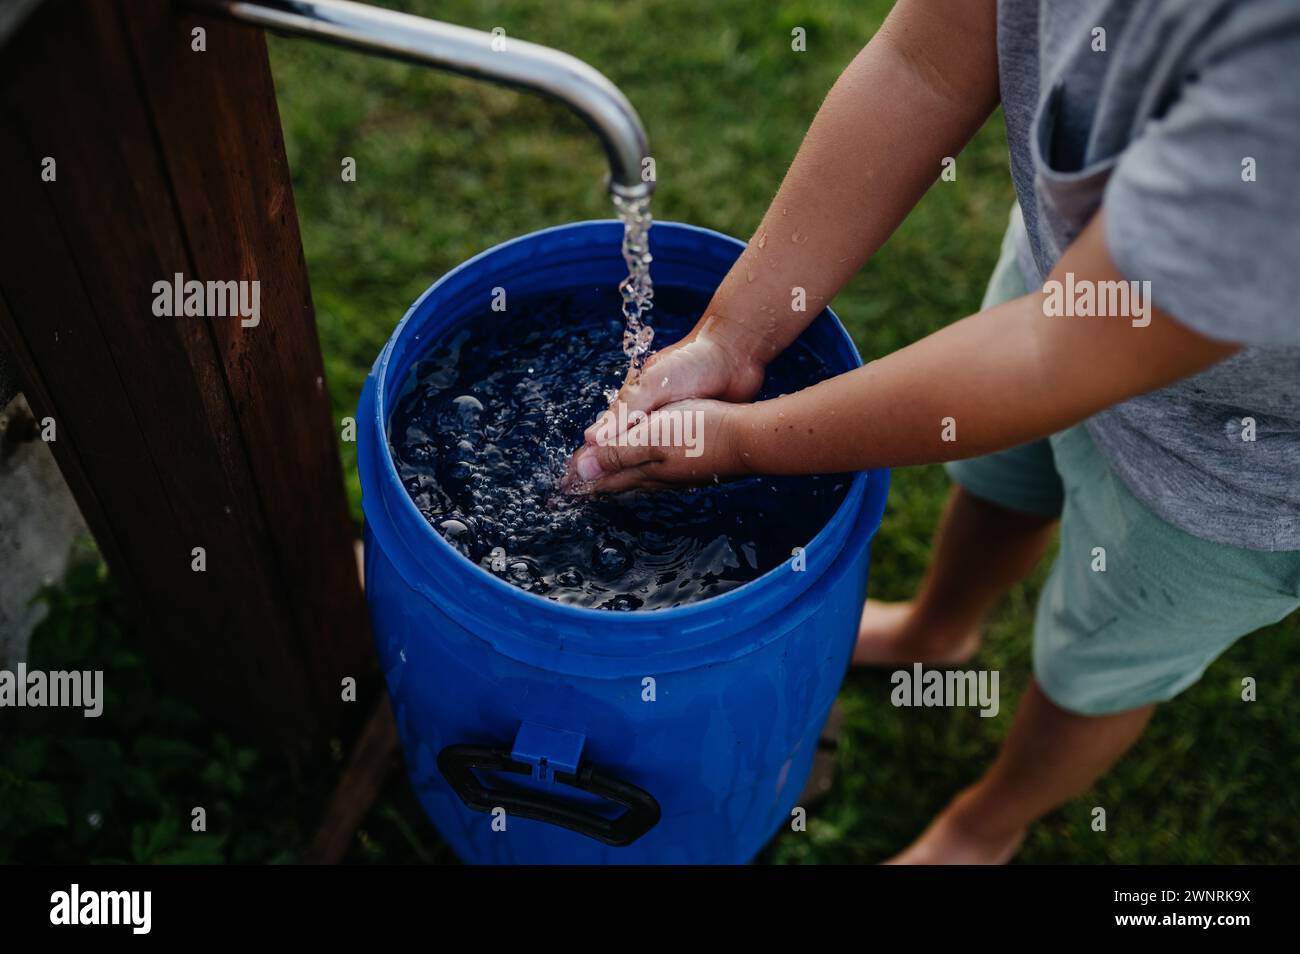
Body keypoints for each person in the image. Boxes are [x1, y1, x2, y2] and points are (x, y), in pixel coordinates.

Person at [565, 0, 1300, 863]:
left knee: (1101, 659)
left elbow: (1058, 355)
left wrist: (740, 441)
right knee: (1000, 487)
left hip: (1240, 465)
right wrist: (731, 337)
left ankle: (988, 823)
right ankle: (937, 633)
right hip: (1054, 291)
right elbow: (925, 62)